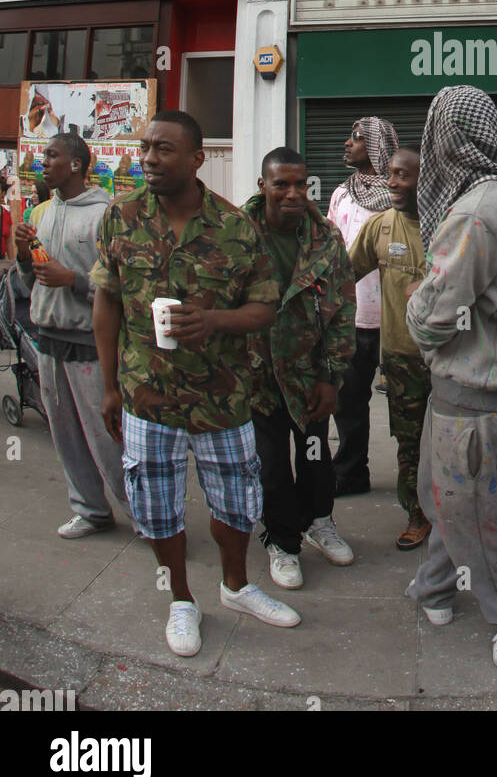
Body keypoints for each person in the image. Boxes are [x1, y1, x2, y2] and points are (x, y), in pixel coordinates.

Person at [91, 110, 298, 658]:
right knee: (156, 506)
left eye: (163, 150)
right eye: (145, 148)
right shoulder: (120, 218)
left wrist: (215, 321)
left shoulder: (236, 228)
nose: (150, 159)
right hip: (145, 398)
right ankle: (181, 599)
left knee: (236, 502)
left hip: (222, 398)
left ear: (196, 158)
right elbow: (106, 300)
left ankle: (237, 586)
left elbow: (266, 307)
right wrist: (109, 386)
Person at [406, 87, 497, 669]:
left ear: (447, 139)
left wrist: (417, 303)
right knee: (447, 503)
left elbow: (435, 316)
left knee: (471, 513)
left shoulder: (472, 213)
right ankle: (436, 587)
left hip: (476, 399)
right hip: (493, 393)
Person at [243, 147, 357, 588]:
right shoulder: (238, 233)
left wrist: (331, 377)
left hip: (310, 376)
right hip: (258, 378)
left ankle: (318, 521)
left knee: (314, 454)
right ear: (263, 186)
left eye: (300, 184)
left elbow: (342, 308)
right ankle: (283, 540)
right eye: (281, 184)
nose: (293, 193)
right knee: (270, 464)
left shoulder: (326, 237)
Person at [14, 135, 135, 539]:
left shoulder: (105, 214)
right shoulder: (44, 212)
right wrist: (21, 255)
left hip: (89, 344)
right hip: (46, 338)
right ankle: (90, 510)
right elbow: (30, 277)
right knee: (64, 434)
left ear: (77, 165)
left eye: (52, 155)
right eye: (44, 155)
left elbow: (121, 286)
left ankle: (144, 517)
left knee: (106, 437)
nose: (42, 161)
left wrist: (75, 281)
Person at [349, 148, 431, 549]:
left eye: (403, 175)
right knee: (409, 442)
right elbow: (344, 275)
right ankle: (416, 513)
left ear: (424, 178)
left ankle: (457, 512)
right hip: (400, 359)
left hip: (450, 358)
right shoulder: (380, 228)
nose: (393, 183)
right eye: (391, 174)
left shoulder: (449, 226)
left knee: (455, 441)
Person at [327, 115, 400, 495]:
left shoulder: (400, 197)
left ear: (375, 145)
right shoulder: (341, 193)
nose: (347, 143)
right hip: (350, 319)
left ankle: (414, 478)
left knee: (406, 405)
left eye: (355, 137)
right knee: (347, 401)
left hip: (394, 321)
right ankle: (352, 472)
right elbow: (331, 250)